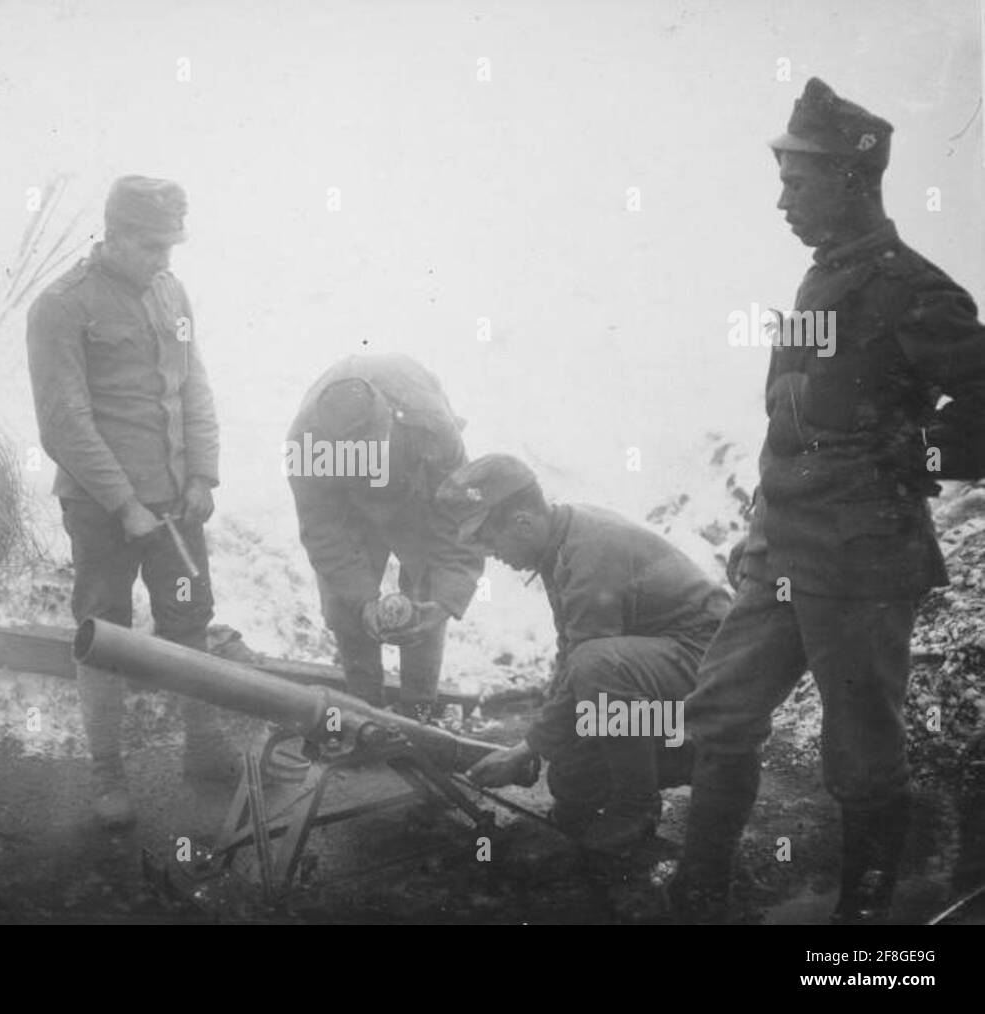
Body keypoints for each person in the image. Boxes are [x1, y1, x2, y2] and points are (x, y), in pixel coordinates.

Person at [672, 78, 985, 923]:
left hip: (861, 562)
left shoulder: (911, 290)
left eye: (798, 182)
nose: (781, 202)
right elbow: (792, 427)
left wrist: (915, 450)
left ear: (852, 181)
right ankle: (699, 900)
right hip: (783, 551)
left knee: (861, 761)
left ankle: (861, 939)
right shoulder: (819, 286)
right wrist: (757, 530)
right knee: (722, 713)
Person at [26, 175, 235, 829]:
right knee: (106, 632)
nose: (165, 260)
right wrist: (124, 505)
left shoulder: (171, 291)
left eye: (172, 245)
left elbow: (193, 386)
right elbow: (64, 423)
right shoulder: (62, 306)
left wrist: (202, 477)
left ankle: (203, 746)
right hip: (101, 510)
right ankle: (107, 774)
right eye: (151, 245)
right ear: (112, 237)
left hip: (175, 502)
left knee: (189, 619)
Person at [438, 454, 730, 854]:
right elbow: (570, 650)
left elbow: (588, 662)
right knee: (572, 779)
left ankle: (640, 803)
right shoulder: (560, 539)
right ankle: (689, 754)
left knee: (596, 666)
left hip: (710, 666)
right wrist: (542, 743)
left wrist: (528, 746)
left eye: (489, 539)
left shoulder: (592, 550)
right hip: (659, 671)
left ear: (522, 522)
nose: (491, 554)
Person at [286, 354, 484, 720]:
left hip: (416, 486)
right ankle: (365, 712)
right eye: (356, 458)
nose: (369, 467)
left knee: (426, 590)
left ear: (390, 423)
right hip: (344, 501)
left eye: (373, 452)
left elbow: (460, 522)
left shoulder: (432, 427)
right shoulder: (306, 446)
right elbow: (324, 534)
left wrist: (445, 602)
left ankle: (419, 713)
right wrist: (364, 602)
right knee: (345, 603)